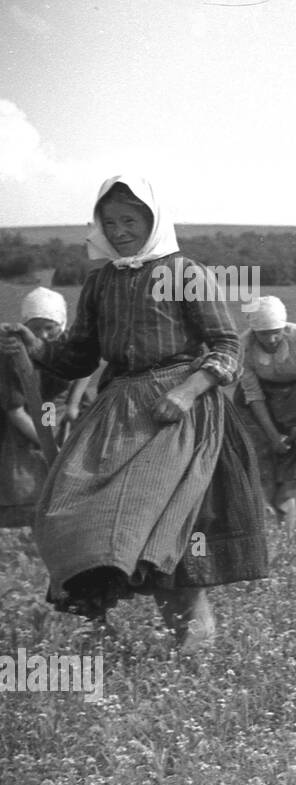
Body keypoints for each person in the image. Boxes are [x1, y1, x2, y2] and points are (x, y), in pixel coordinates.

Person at [0, 175, 267, 651]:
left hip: (179, 415)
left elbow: (228, 347)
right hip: (119, 411)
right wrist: (32, 346)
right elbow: (77, 358)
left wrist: (187, 391)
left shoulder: (184, 272)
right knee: (68, 515)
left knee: (171, 542)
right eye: (110, 222)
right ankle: (103, 633)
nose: (120, 230)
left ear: (153, 220)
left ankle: (194, 652)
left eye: (130, 220)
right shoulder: (101, 281)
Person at [236, 295, 296, 538]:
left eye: (275, 333)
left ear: (284, 327)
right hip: (260, 404)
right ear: (254, 332)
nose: (271, 339)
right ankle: (282, 538)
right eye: (263, 334)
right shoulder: (243, 346)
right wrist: (273, 436)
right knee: (266, 467)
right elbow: (254, 396)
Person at [0, 288, 91, 528]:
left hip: (57, 412)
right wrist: (47, 443)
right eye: (36, 328)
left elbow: (87, 369)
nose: (43, 334)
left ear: (61, 324)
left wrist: (73, 404)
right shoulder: (14, 353)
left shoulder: (70, 342)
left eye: (50, 328)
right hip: (26, 421)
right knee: (29, 480)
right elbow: (15, 411)